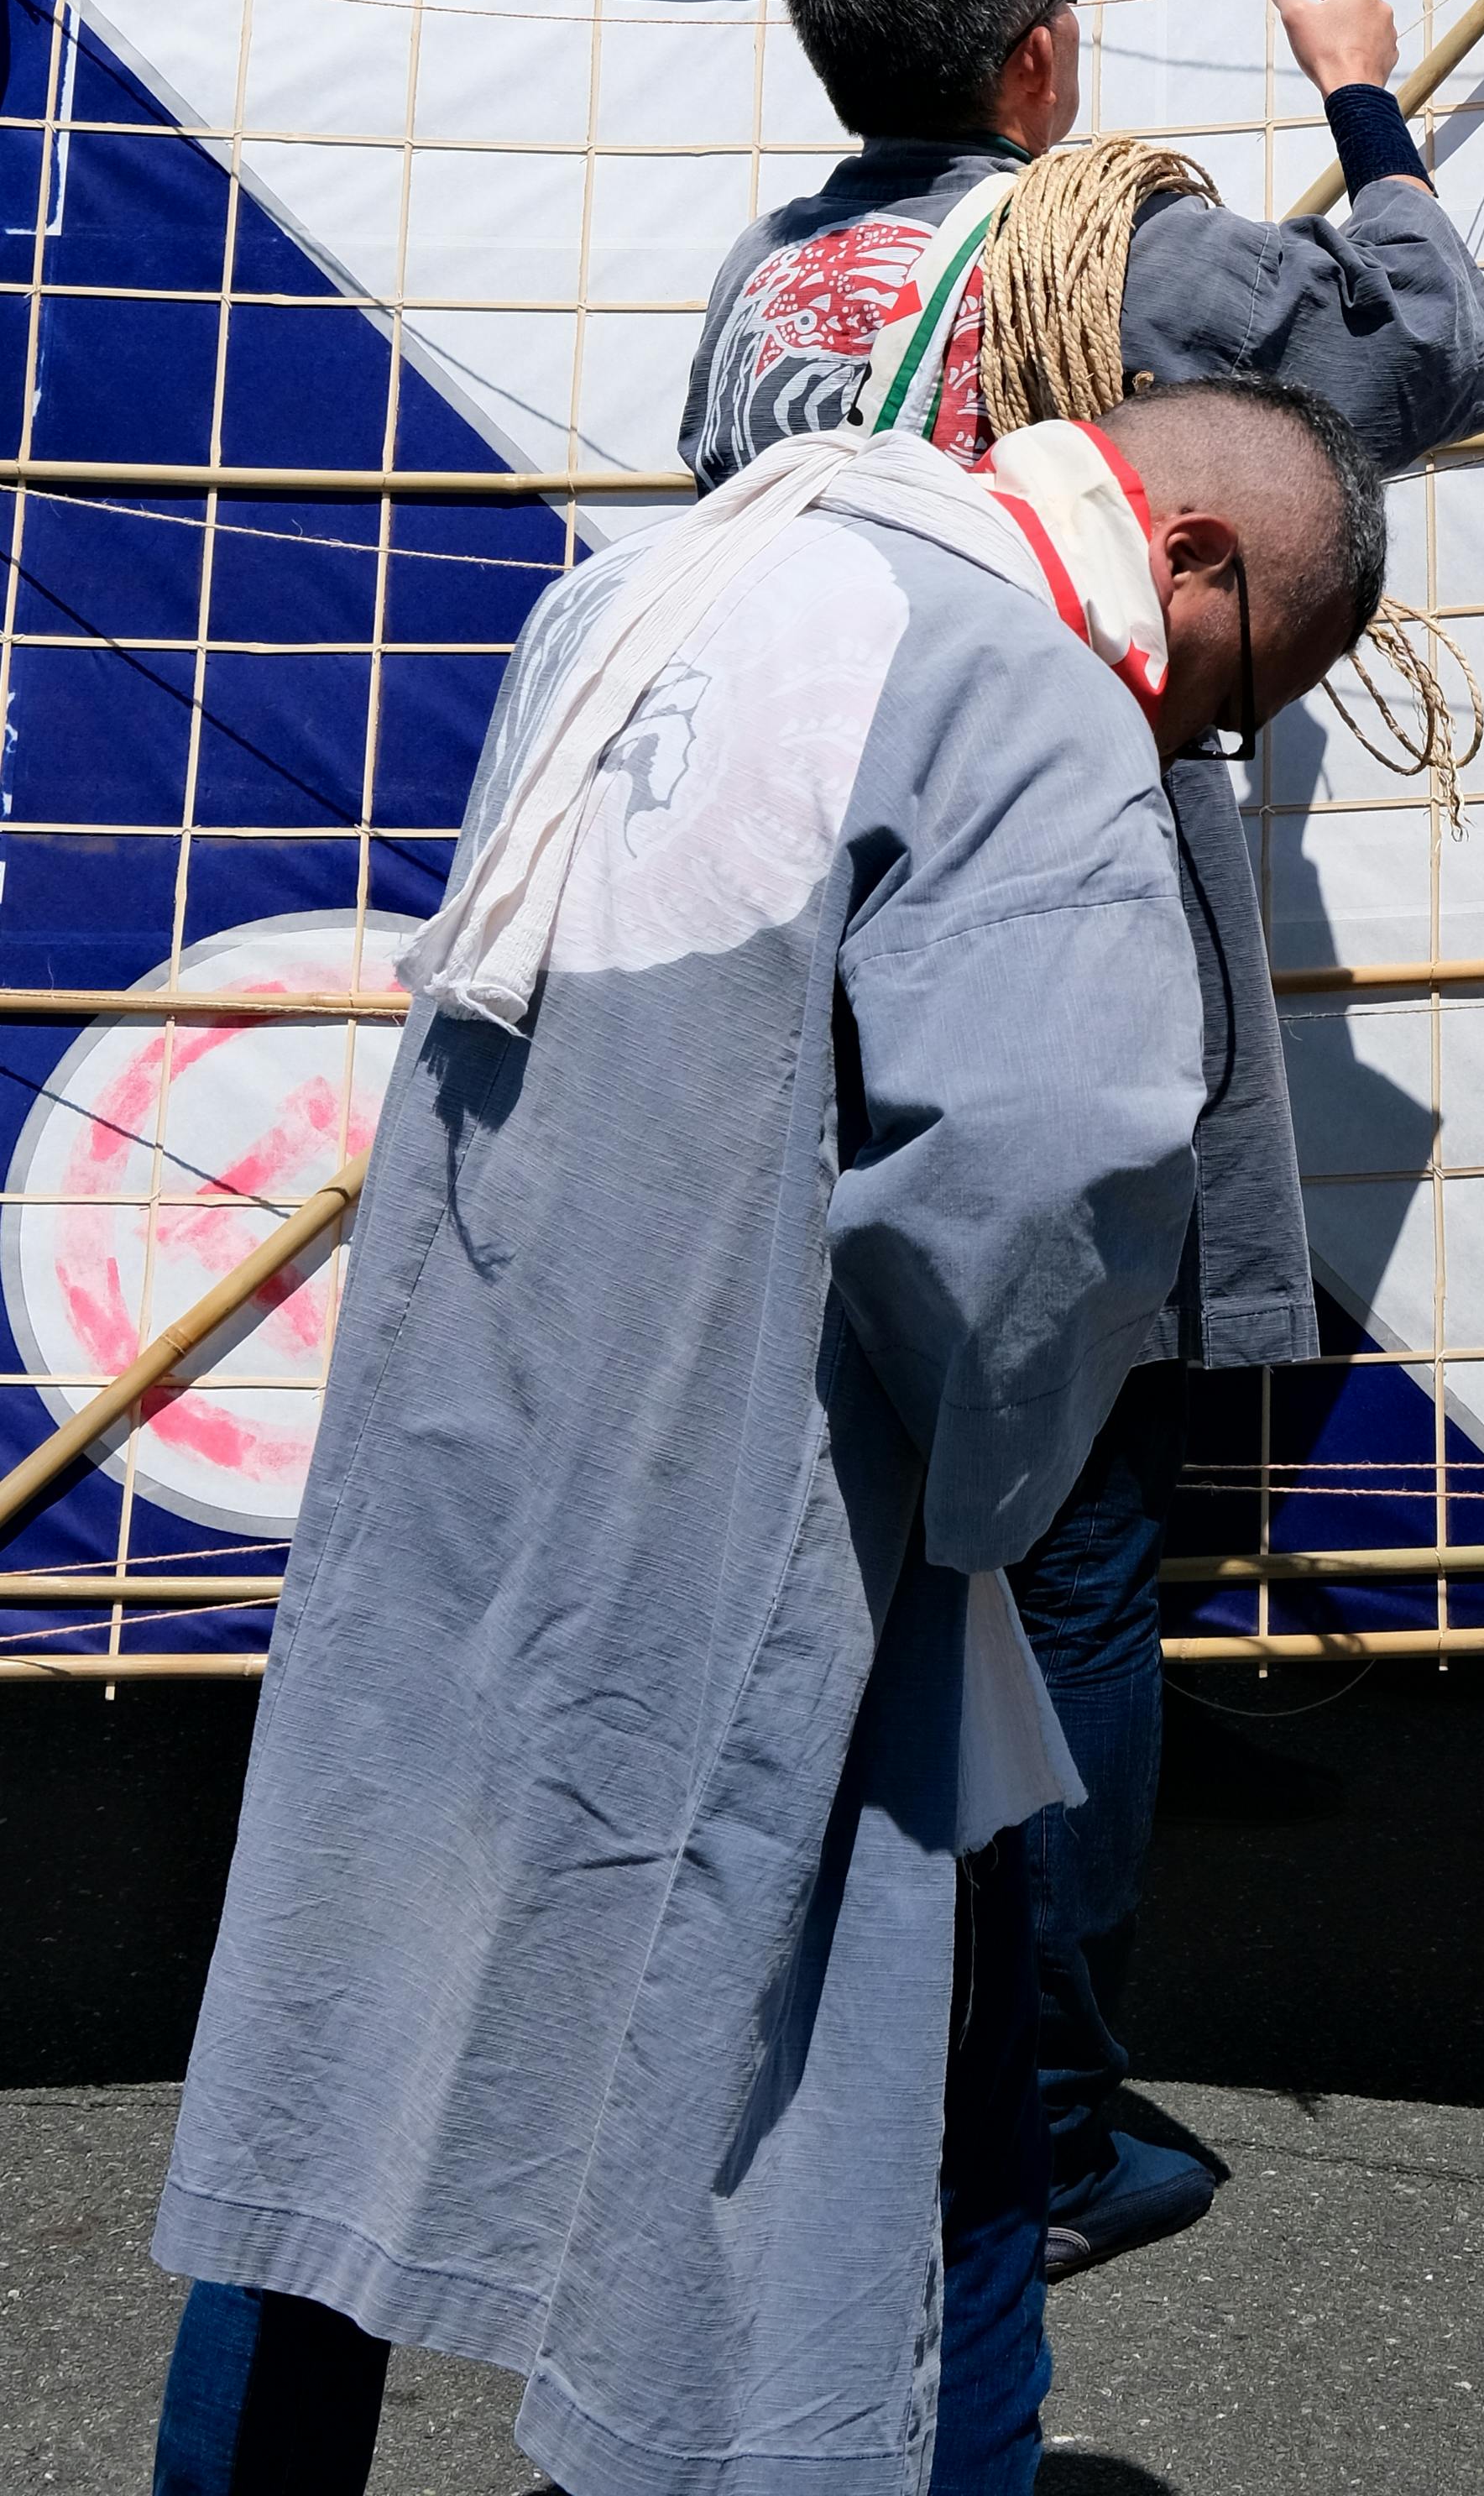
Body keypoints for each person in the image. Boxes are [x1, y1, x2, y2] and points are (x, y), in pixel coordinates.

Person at [148, 366, 1389, 2496]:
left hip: (453, 1480)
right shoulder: (1027, 690)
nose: (1211, 739)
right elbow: (1034, 1187)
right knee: (913, 2108)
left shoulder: (649, 581)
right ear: (1191, 557)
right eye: (1243, 689)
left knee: (334, 2061)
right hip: (757, 1530)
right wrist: (997, 1490)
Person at [687, 0, 1484, 2271]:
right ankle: (1034, 2139)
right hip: (1051, 931)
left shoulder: (769, 293)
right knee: (1068, 1551)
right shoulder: (1128, 255)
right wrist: (1367, 116)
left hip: (799, 932)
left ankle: (831, 2067)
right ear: (1037, 50)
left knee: (852, 1523)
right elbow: (1439, 364)